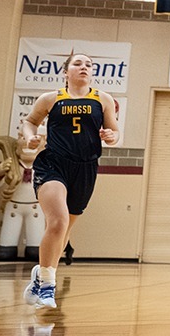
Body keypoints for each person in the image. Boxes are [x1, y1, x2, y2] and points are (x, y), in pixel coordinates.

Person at [19, 52, 120, 310]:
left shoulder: (102, 99)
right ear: (66, 71)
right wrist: (30, 137)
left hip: (85, 168)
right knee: (57, 221)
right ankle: (48, 286)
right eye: (78, 63)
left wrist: (110, 136)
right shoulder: (51, 99)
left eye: (88, 64)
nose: (84, 67)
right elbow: (29, 122)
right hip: (53, 163)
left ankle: (40, 275)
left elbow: (115, 132)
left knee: (64, 230)